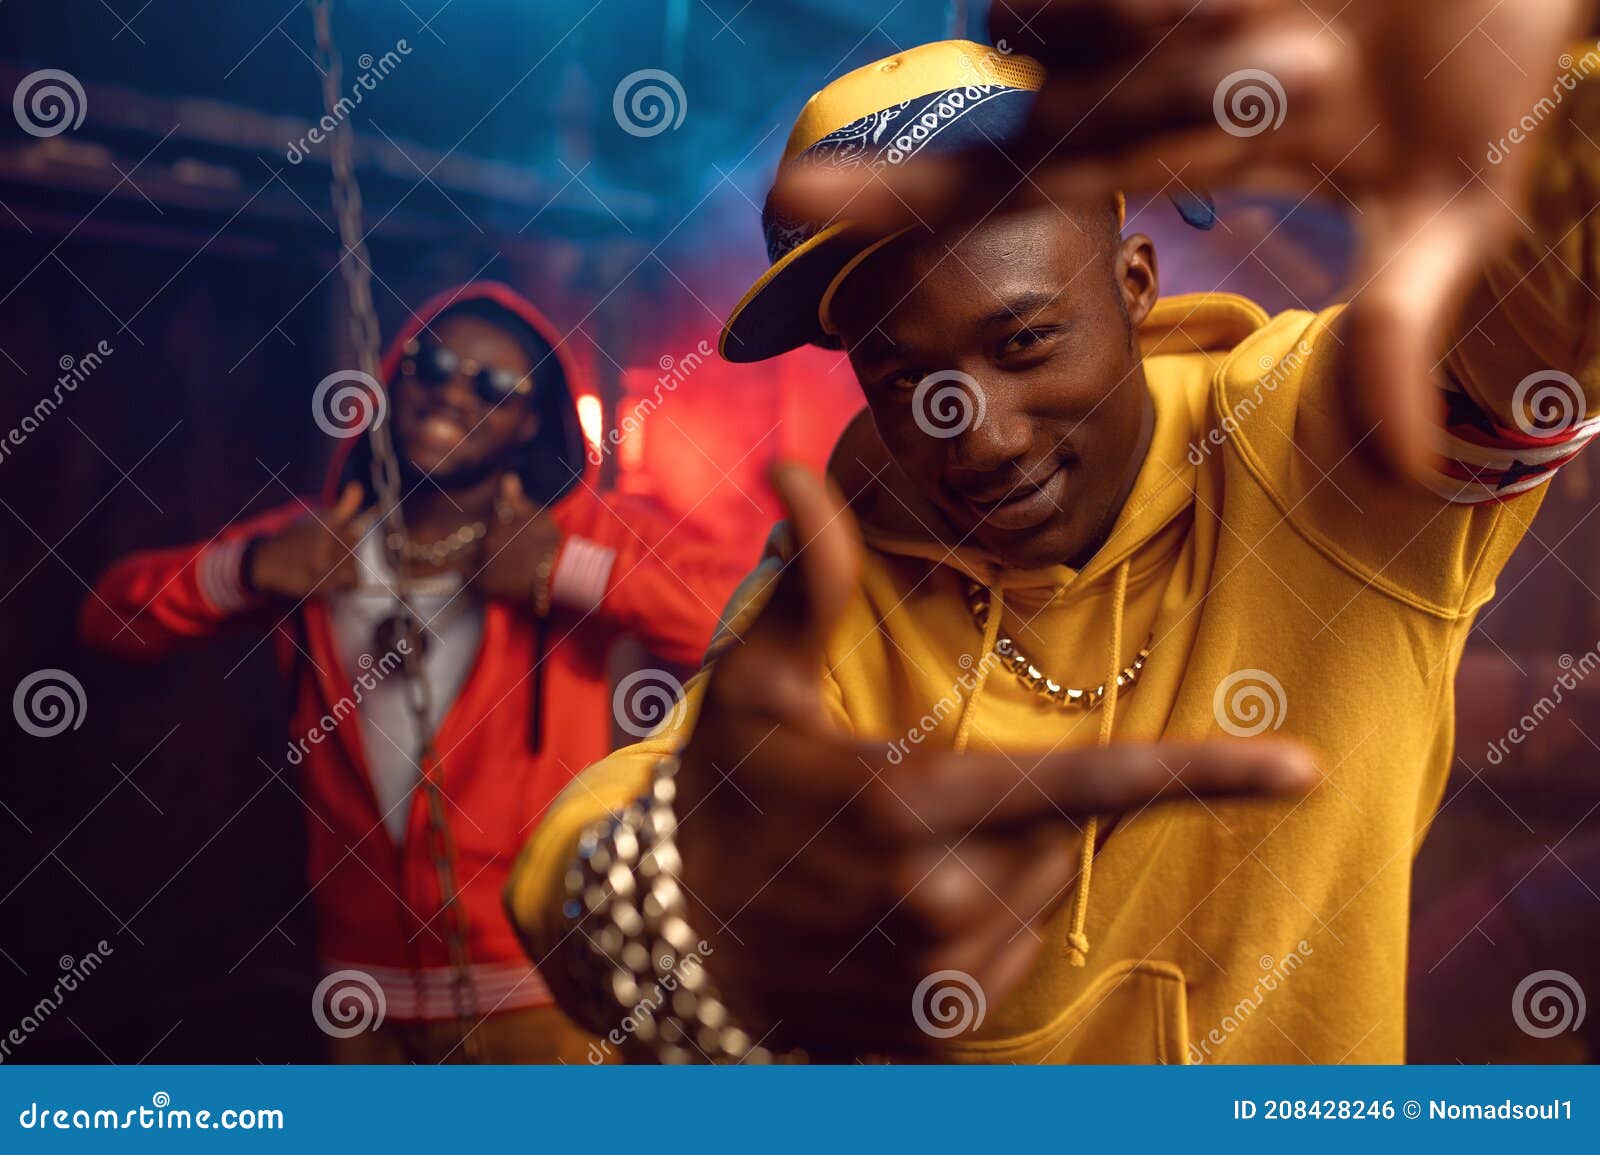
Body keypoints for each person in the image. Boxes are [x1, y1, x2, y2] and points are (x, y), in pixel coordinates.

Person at [507, 1, 1600, 1064]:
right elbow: (620, 818)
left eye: (1024, 341)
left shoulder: (1318, 449)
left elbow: (1543, 321)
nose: (972, 435)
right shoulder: (846, 564)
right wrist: (685, 902)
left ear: (1133, 285)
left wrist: (1537, 95)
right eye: (904, 377)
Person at [81, 281, 746, 1062]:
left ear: (532, 419)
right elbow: (110, 618)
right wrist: (249, 567)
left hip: (538, 978)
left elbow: (744, 613)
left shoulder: (574, 534)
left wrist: (571, 569)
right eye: (432, 364)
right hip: (359, 988)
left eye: (494, 384)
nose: (452, 392)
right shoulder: (320, 539)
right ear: (396, 378)